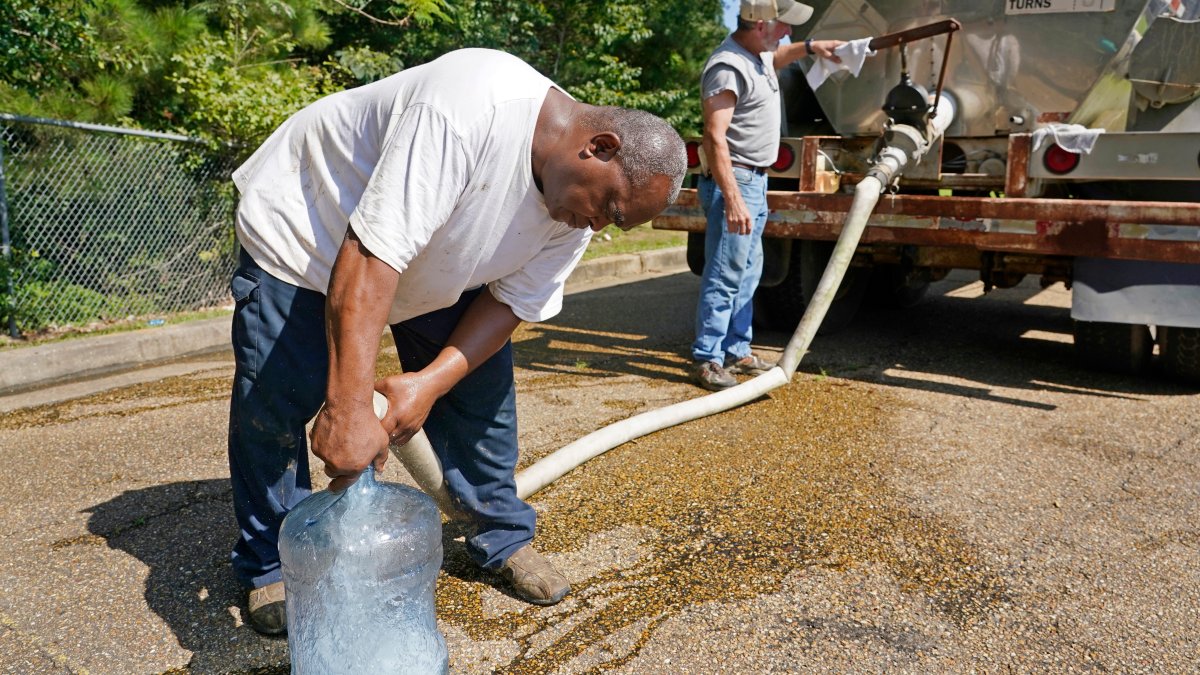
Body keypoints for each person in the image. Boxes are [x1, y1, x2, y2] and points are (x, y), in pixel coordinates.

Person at [227, 47, 686, 635]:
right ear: (598, 147)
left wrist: (426, 384)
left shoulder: (576, 205)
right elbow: (368, 258)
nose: (600, 227)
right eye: (608, 209)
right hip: (308, 237)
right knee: (276, 400)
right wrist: (345, 408)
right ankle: (271, 562)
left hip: (426, 263)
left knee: (479, 398)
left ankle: (500, 535)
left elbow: (511, 302)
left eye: (616, 223)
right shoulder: (472, 105)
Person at [691, 0, 843, 390]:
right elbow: (714, 137)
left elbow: (783, 54)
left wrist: (813, 48)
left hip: (756, 181)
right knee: (725, 274)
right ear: (760, 26)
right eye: (783, 27)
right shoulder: (728, 66)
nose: (788, 33)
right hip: (737, 181)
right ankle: (709, 359)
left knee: (748, 273)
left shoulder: (759, 55)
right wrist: (734, 199)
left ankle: (738, 351)